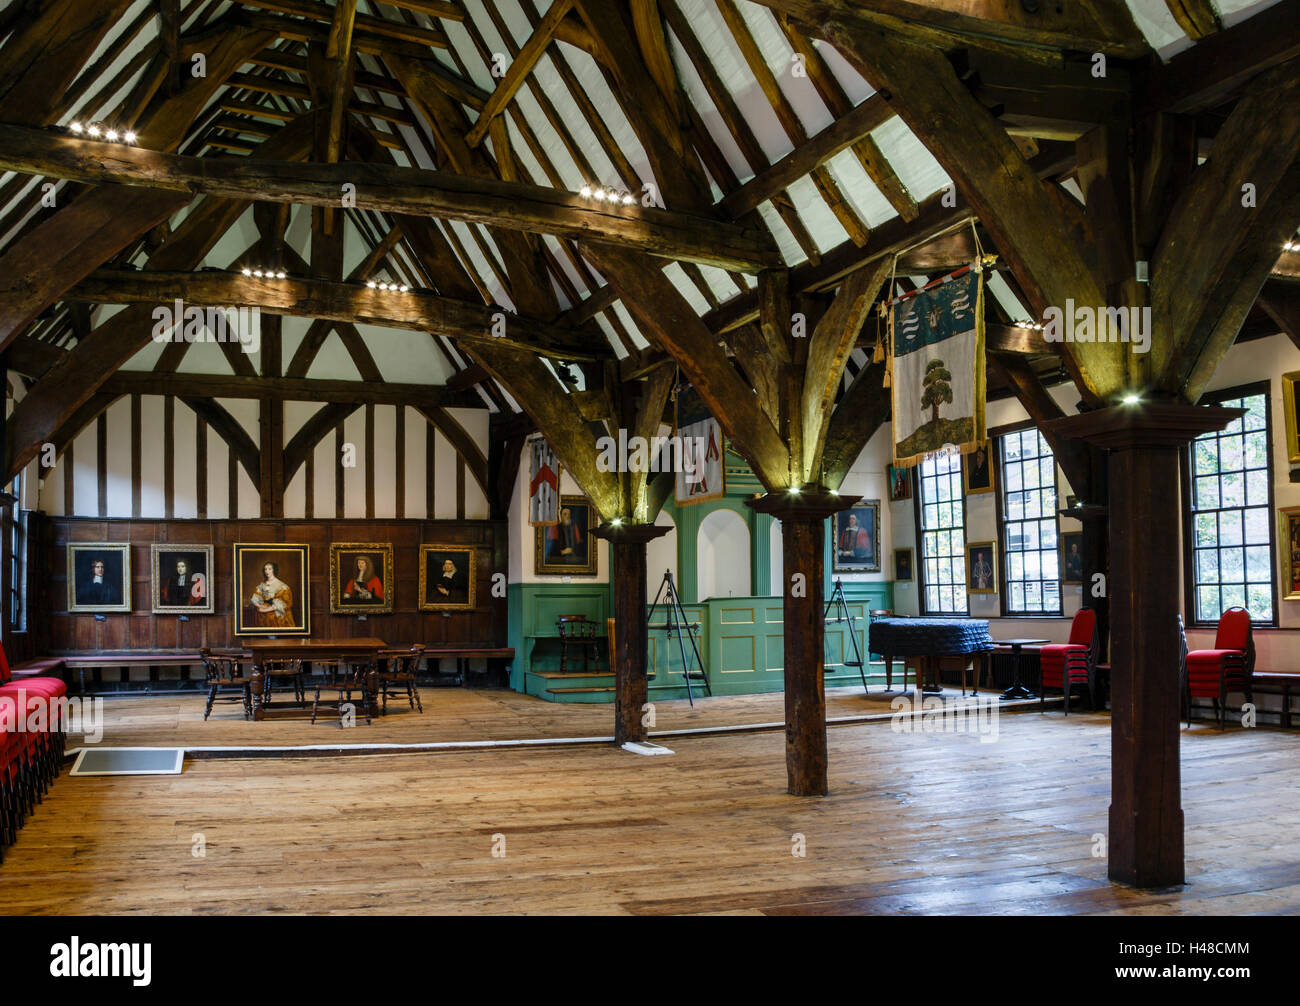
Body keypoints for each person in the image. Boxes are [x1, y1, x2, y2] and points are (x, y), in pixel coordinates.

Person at [250, 561, 295, 629]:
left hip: (276, 617)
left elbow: (284, 603)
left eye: (270, 569)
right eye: (265, 569)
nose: (267, 571)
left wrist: (266, 609)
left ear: (274, 570)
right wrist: (260, 606)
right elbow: (255, 597)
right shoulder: (262, 585)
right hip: (262, 615)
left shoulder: (282, 586)